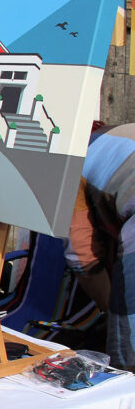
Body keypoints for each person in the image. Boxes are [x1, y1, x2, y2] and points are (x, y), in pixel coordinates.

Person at [67, 123, 135, 371]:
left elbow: (83, 258)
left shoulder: (72, 164)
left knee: (129, 360)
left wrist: (112, 314)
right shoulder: (120, 131)